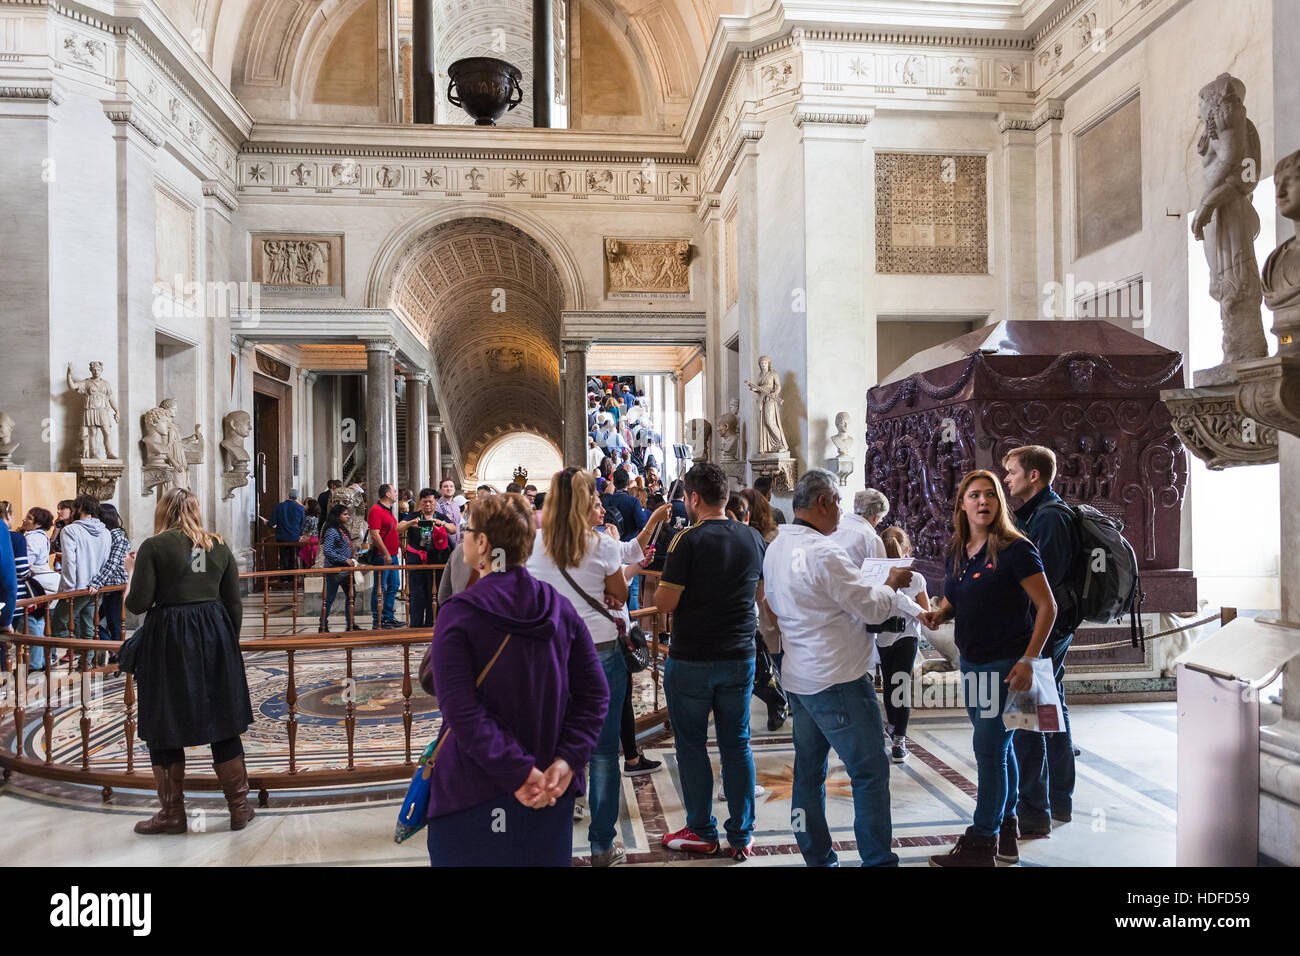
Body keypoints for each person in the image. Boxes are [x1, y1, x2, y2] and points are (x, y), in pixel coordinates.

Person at [421, 492, 608, 866]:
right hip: (549, 791)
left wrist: (519, 773)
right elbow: (595, 695)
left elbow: (461, 711)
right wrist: (567, 761)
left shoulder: (459, 613)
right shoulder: (559, 607)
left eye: (468, 530)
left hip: (474, 789)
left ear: (484, 544)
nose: (463, 537)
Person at [762, 469, 921, 867]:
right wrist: (893, 583)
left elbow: (767, 613)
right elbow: (871, 607)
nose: (839, 512)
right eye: (836, 503)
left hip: (799, 676)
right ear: (823, 503)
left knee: (809, 774)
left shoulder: (777, 546)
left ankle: (817, 857)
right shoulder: (825, 552)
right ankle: (878, 860)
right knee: (869, 773)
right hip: (839, 678)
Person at [921, 470, 1057, 867]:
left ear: (999, 503)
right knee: (1002, 748)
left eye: (991, 496)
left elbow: (1048, 607)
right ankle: (1007, 830)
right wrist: (941, 612)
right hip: (973, 662)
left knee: (989, 748)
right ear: (962, 504)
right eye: (975, 496)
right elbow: (958, 595)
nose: (983, 502)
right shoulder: (958, 548)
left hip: (1008, 665)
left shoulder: (1016, 548)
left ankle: (982, 842)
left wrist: (1029, 660)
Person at [125, 488, 254, 835]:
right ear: (197, 509)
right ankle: (239, 808)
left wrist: (131, 570)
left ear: (162, 511)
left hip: (168, 636)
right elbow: (234, 602)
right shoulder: (220, 544)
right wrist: (229, 641)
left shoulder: (154, 547)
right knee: (222, 718)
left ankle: (172, 813)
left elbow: (137, 604)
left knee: (165, 719)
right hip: (215, 633)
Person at [655, 463, 766, 860]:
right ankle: (743, 834)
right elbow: (759, 595)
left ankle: (701, 830)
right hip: (739, 655)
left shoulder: (687, 539)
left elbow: (665, 602)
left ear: (694, 499)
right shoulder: (752, 537)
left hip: (693, 659)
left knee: (692, 746)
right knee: (738, 744)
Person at [1003, 445, 1079, 833]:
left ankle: (1047, 803)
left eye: (1013, 471)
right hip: (1044, 630)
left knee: (1038, 716)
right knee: (1048, 711)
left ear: (1034, 476)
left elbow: (1040, 584)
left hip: (1043, 631)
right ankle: (1053, 801)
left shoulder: (1049, 518)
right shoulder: (1039, 514)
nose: (1007, 479)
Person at [877, 525, 929, 763]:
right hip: (901, 636)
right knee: (899, 685)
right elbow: (926, 611)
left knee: (892, 684)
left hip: (892, 636)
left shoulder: (879, 579)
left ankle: (896, 732)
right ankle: (898, 737)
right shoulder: (914, 578)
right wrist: (915, 610)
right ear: (907, 549)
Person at [51, 495, 110, 643]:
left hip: (77, 587)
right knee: (88, 629)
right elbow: (105, 561)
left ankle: (47, 662)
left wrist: (66, 590)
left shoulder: (71, 530)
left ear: (80, 508)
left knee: (57, 626)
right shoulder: (106, 531)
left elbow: (69, 562)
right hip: (97, 587)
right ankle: (87, 663)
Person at [88, 503, 130, 661]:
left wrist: (96, 582)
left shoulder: (118, 536)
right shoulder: (106, 535)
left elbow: (112, 563)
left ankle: (119, 654)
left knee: (114, 623)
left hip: (115, 584)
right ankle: (115, 651)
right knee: (94, 621)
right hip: (107, 585)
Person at [21, 507, 58, 670]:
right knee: (39, 621)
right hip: (43, 580)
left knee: (32, 621)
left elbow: (28, 561)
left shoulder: (33, 538)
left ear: (37, 523)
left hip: (37, 582)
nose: (24, 520)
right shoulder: (40, 536)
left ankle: (36, 662)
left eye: (29, 518)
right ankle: (43, 659)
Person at [603, 469, 646, 608]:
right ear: (628, 483)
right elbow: (642, 524)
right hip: (629, 545)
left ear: (613, 482)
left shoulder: (606, 500)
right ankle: (633, 621)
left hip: (608, 546)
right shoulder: (633, 502)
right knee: (632, 589)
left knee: (611, 586)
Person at [404, 488, 445, 629]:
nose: (427, 504)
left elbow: (453, 528)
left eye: (430, 501)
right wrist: (411, 523)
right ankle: (416, 624)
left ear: (435, 502)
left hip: (434, 559)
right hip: (416, 560)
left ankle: (431, 622)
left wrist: (442, 523)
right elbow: (398, 527)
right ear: (420, 503)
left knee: (433, 592)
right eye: (424, 502)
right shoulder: (413, 515)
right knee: (416, 594)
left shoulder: (440, 516)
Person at [319, 504, 359, 632]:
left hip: (346, 570)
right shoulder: (331, 530)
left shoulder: (342, 529)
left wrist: (353, 554)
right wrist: (345, 559)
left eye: (348, 514)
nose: (347, 516)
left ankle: (351, 624)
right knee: (329, 598)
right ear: (337, 516)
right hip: (335, 570)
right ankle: (323, 625)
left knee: (352, 595)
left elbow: (343, 547)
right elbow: (328, 551)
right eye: (345, 514)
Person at [367, 484, 402, 629]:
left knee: (394, 585)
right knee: (380, 587)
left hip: (393, 554)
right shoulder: (376, 510)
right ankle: (378, 618)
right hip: (383, 556)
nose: (396, 493)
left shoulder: (389, 510)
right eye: (394, 491)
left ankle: (388, 616)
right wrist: (386, 552)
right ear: (387, 494)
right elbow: (375, 534)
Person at [831, 488, 888, 564]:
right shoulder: (871, 539)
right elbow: (881, 573)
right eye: (880, 519)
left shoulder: (832, 528)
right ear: (876, 518)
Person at [268, 489, 306, 580]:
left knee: (283, 558)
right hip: (294, 537)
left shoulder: (279, 506)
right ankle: (292, 579)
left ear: (287, 495)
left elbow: (272, 522)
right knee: (293, 558)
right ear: (297, 497)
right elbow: (302, 523)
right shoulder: (300, 508)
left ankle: (283, 578)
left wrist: (267, 523)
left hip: (282, 536)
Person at [432, 478, 461, 589]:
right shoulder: (437, 506)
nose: (448, 488)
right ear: (440, 490)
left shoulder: (456, 506)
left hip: (456, 545)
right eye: (445, 486)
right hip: (443, 545)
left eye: (451, 486)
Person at [298, 498, 321, 568]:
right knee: (313, 559)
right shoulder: (317, 518)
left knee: (306, 559)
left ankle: (305, 576)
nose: (305, 506)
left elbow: (303, 531)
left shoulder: (308, 518)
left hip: (308, 539)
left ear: (310, 507)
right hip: (315, 539)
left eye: (306, 505)